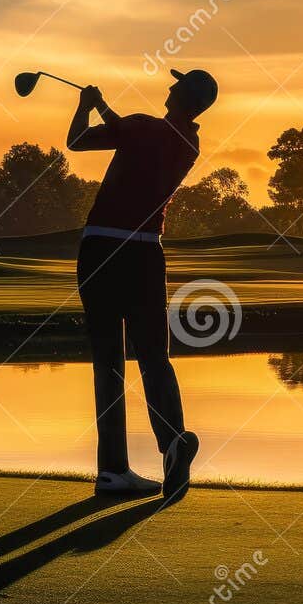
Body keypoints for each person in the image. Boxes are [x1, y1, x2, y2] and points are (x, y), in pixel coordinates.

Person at [67, 68, 218, 500]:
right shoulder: (189, 143)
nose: (168, 86)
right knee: (154, 356)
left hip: (99, 248)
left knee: (108, 361)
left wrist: (85, 105)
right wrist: (105, 109)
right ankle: (171, 442)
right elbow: (133, 133)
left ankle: (112, 469)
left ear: (179, 95)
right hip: (144, 253)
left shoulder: (138, 125)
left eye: (176, 84)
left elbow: (77, 141)